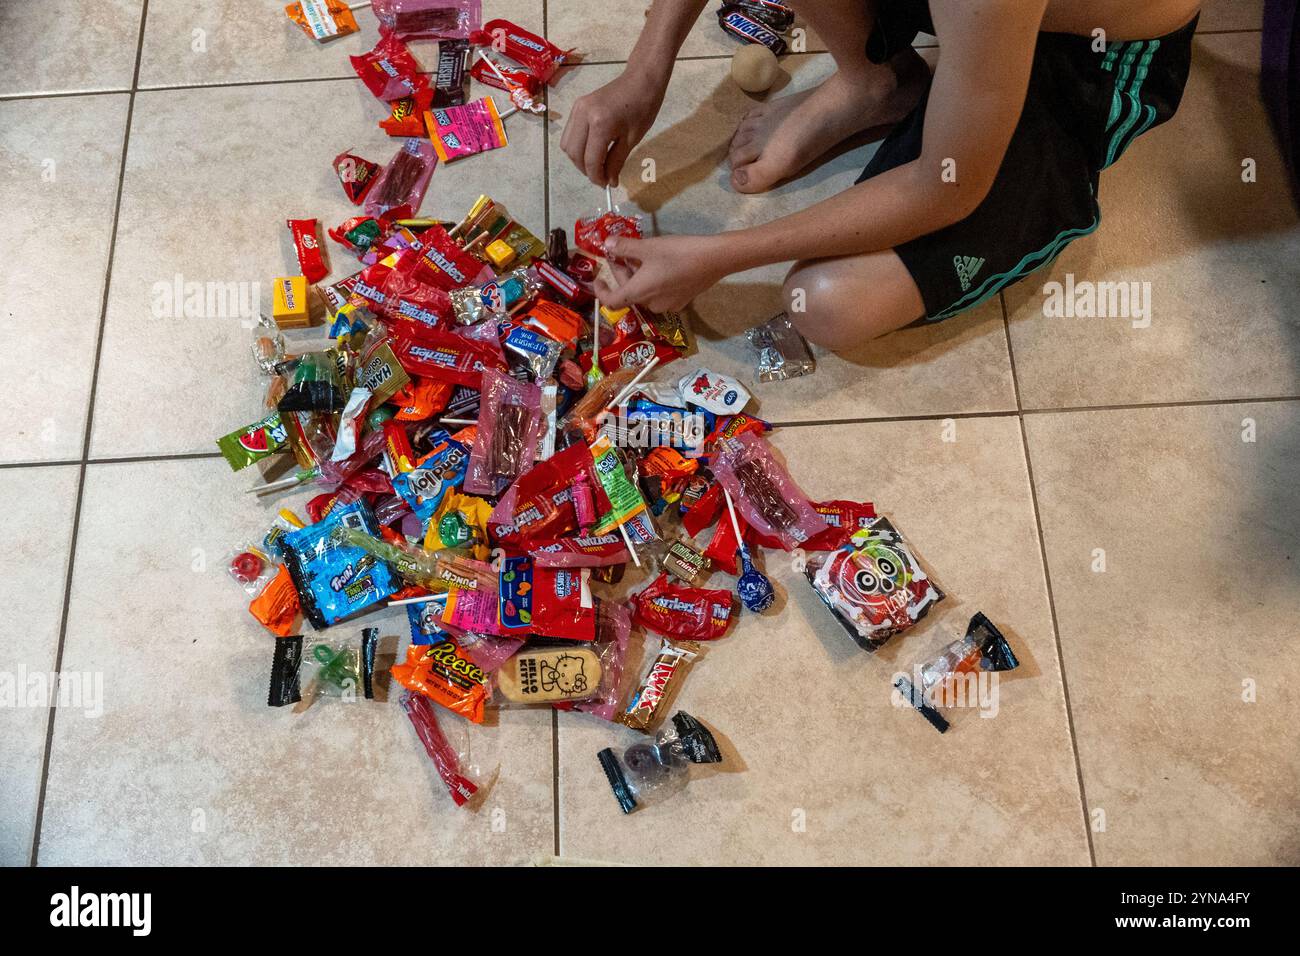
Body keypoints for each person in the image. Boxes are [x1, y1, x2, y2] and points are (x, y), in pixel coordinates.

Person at [559, 0, 1203, 349]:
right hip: (984, 26)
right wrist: (643, 73)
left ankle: (1023, 154)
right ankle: (876, 83)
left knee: (830, 300)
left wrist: (719, 256)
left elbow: (945, 185)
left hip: (1086, 63)